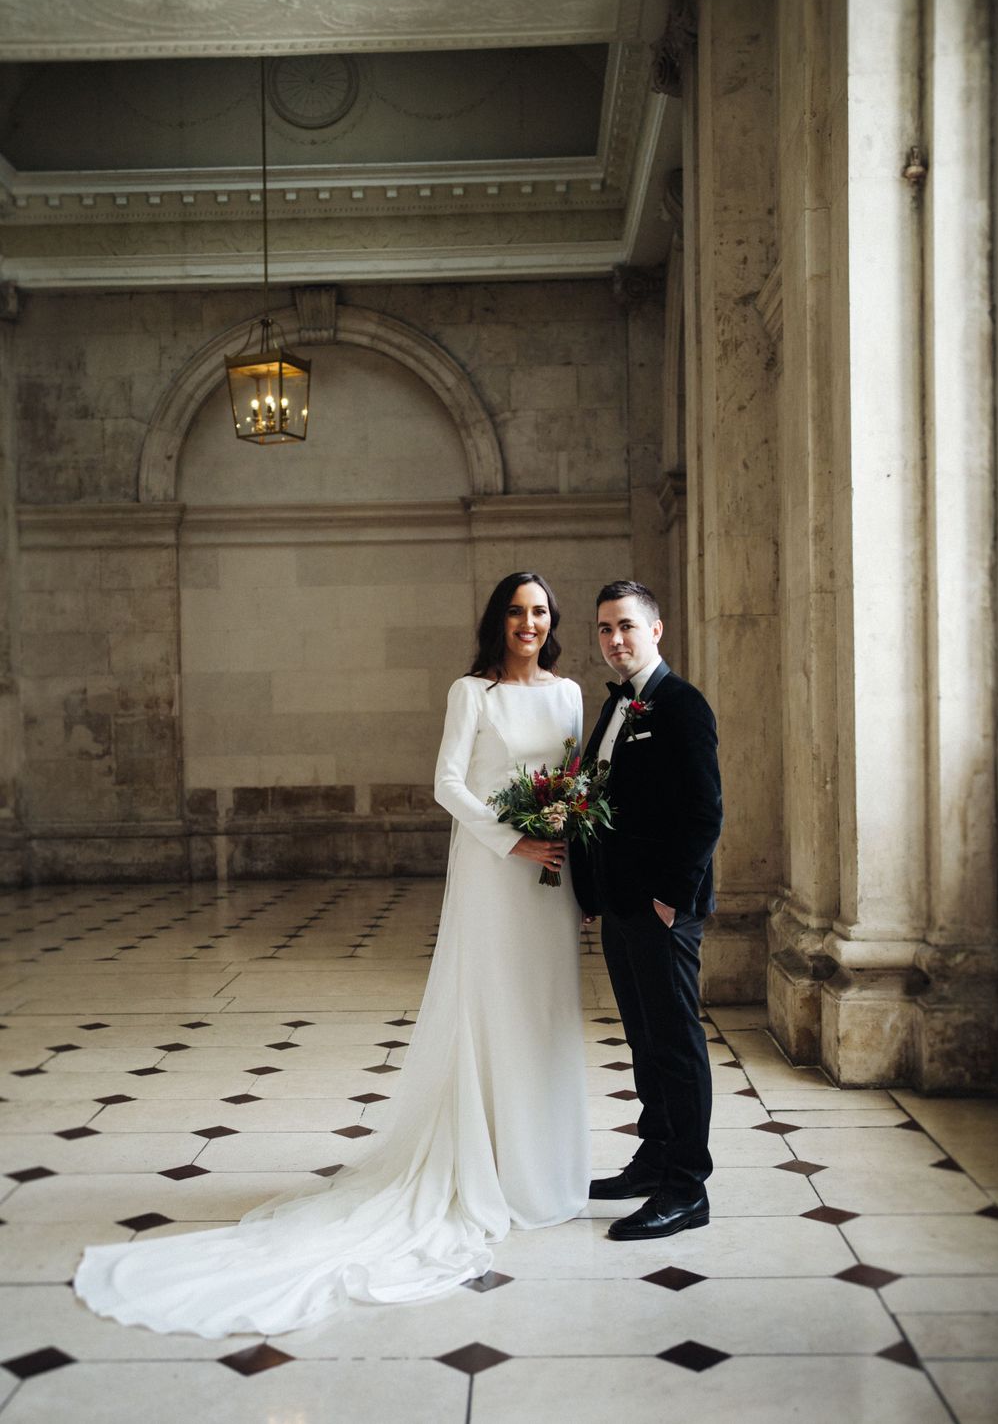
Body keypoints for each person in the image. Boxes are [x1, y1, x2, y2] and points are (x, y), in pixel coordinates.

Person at [73, 572, 589, 1337]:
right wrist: (512, 839)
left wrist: (558, 832)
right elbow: (446, 783)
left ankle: (538, 1168)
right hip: (494, 873)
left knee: (542, 1013)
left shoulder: (572, 693)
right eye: (516, 611)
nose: (529, 622)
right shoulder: (470, 693)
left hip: (553, 874)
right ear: (497, 620)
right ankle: (485, 1166)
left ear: (553, 621)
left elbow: (576, 778)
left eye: (540, 611)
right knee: (493, 1011)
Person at [571, 580, 722, 1241]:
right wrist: (589, 888)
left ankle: (687, 1185)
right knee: (643, 1039)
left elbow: (703, 813)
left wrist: (668, 897)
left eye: (627, 626)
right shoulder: (617, 709)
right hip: (621, 904)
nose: (616, 640)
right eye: (605, 629)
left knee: (676, 1043)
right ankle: (655, 1156)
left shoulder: (682, 704)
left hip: (661, 907)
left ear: (655, 630)